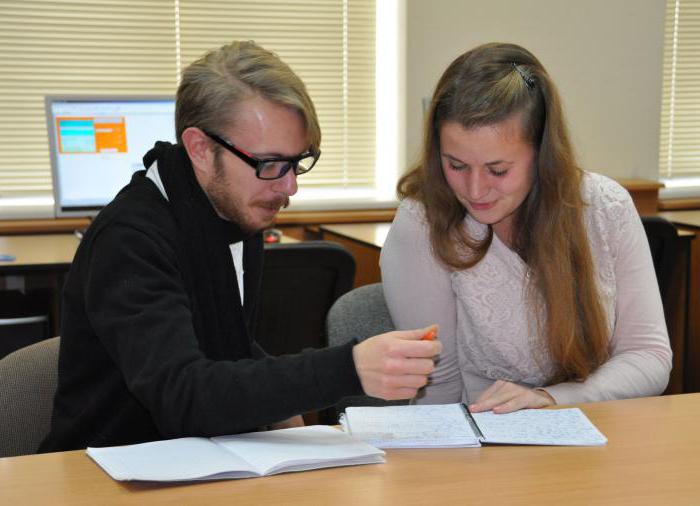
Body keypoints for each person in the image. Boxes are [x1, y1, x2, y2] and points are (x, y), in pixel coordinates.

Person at [40, 40, 440, 452]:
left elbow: (222, 339)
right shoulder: (130, 239)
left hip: (204, 460)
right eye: (269, 164)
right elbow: (184, 396)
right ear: (199, 148)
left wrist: (284, 405)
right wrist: (347, 369)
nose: (289, 186)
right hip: (104, 473)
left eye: (297, 161)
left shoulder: (230, 208)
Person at [380, 42, 671, 414]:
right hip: (485, 443)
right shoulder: (422, 222)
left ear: (542, 154)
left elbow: (649, 356)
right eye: (456, 165)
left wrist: (553, 399)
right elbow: (439, 389)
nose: (475, 189)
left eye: (498, 170)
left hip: (601, 429)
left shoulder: (604, 206)